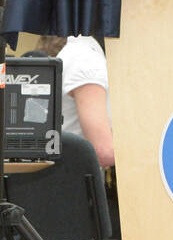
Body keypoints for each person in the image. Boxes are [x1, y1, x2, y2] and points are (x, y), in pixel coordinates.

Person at [36, 35, 116, 169]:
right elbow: (104, 151)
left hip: (63, 173)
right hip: (71, 178)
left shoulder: (80, 52)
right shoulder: (84, 57)